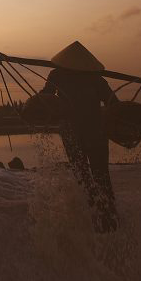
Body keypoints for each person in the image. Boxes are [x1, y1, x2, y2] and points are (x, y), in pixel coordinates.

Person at [39, 41, 119, 232]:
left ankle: (97, 217)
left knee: (83, 175)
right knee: (101, 176)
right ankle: (107, 218)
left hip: (76, 133)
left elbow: (45, 97)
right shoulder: (95, 78)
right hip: (94, 132)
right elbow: (113, 103)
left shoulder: (58, 74)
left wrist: (37, 103)